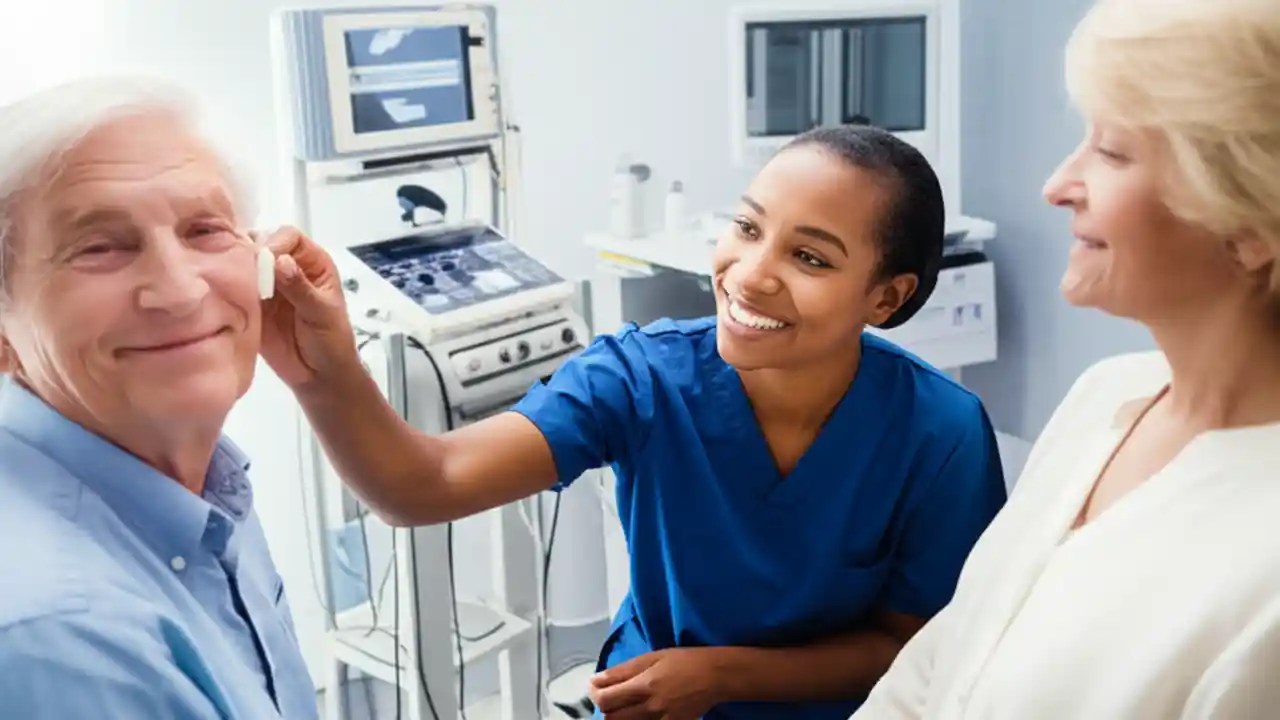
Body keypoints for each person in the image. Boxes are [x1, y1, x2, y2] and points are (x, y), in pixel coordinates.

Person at [261, 124, 1007, 719]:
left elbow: (919, 647)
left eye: (810, 258)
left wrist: (723, 675)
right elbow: (422, 485)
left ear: (885, 297)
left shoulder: (939, 434)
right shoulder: (643, 378)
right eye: (746, 228)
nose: (750, 273)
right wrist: (320, 370)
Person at [855, 0, 1280, 717]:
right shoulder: (1106, 397)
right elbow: (944, 660)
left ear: (1252, 220)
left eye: (1112, 152)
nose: (1056, 186)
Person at [0, 77, 316, 719]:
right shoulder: (60, 636)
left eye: (205, 230)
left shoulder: (199, 484)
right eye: (99, 247)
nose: (178, 290)